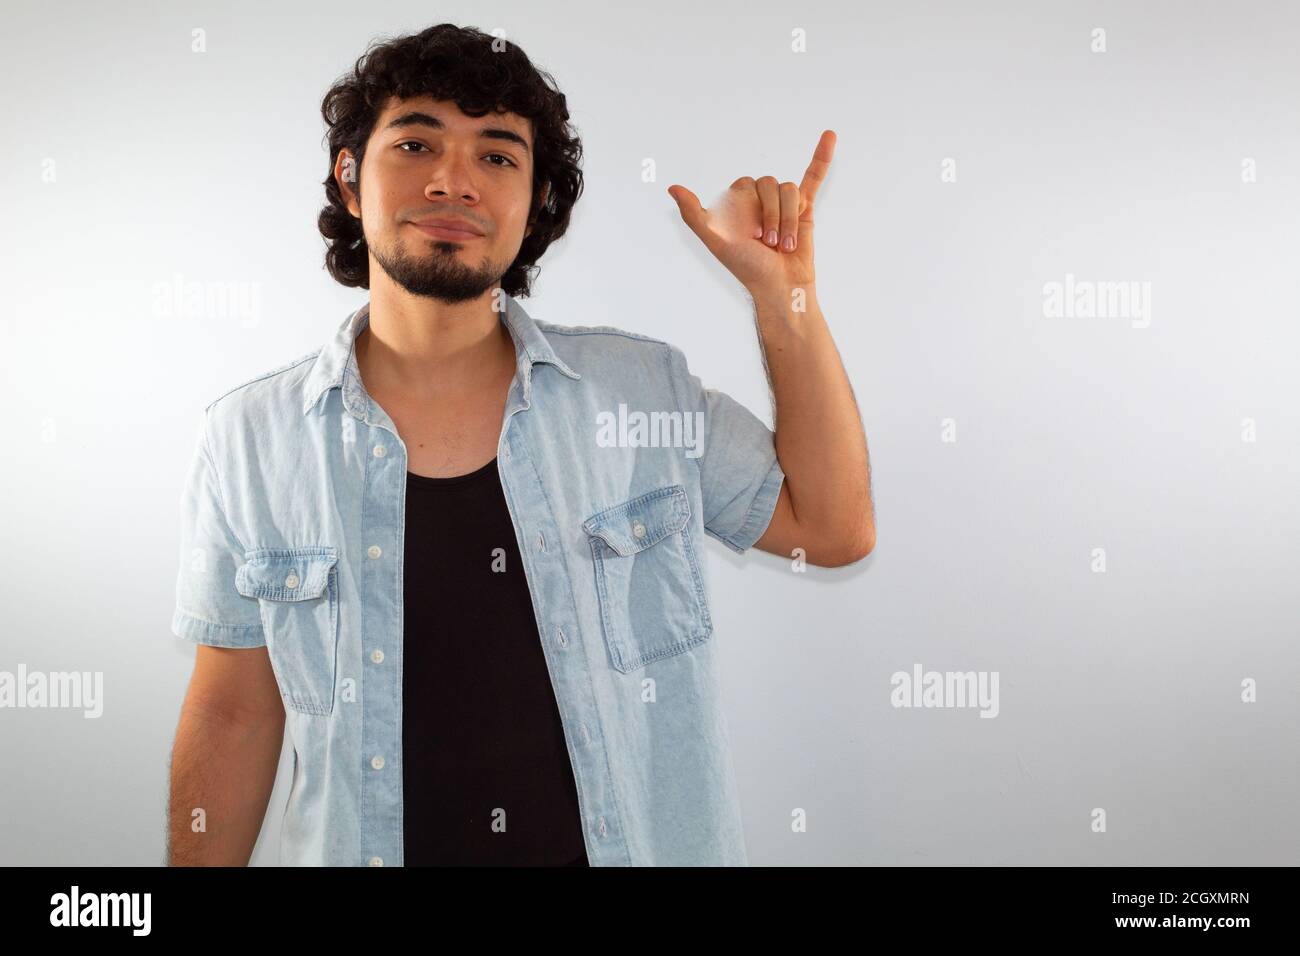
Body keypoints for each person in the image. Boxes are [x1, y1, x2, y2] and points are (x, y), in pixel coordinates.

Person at [167, 22, 873, 867]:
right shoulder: (250, 437)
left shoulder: (640, 393)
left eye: (497, 156)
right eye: (416, 141)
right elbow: (235, 713)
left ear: (537, 204)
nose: (453, 179)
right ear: (349, 180)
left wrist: (783, 301)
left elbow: (831, 530)